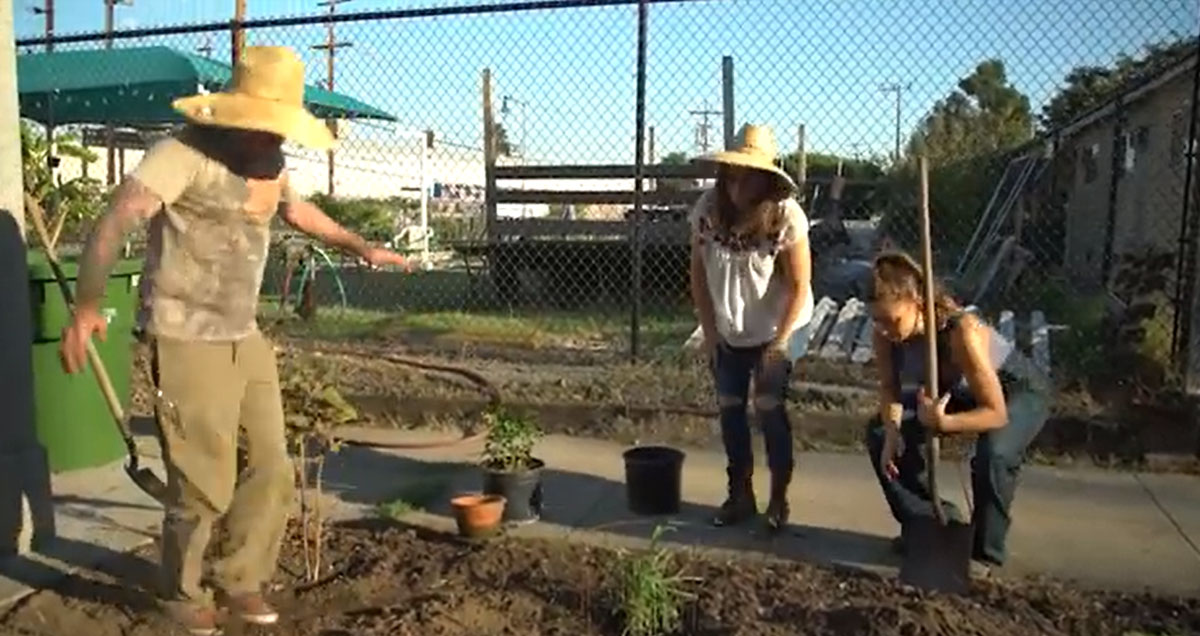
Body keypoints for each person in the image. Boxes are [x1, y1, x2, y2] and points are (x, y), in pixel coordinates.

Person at [58, 46, 409, 635]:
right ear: (235, 112)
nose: (273, 138)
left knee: (271, 465)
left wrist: (362, 247)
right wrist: (87, 306)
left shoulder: (269, 157)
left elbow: (297, 212)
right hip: (184, 335)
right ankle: (182, 592)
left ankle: (241, 578)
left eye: (279, 128)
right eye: (264, 125)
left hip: (244, 335)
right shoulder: (181, 154)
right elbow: (115, 220)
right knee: (203, 480)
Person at [864, 251, 1048, 576]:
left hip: (1015, 393)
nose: (885, 329)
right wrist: (893, 432)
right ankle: (932, 524)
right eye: (877, 320)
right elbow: (890, 389)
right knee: (879, 433)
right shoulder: (884, 335)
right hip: (956, 393)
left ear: (917, 302)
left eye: (892, 320)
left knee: (994, 455)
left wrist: (945, 422)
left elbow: (996, 413)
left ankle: (985, 551)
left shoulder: (962, 332)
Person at [688, 124, 814, 533]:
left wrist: (780, 344)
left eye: (749, 177)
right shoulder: (708, 209)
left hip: (781, 324)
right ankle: (739, 494)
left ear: (766, 180)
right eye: (733, 176)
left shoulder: (785, 215)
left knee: (768, 404)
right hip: (731, 326)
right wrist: (710, 333)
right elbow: (698, 274)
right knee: (730, 405)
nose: (739, 186)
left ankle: (778, 499)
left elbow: (799, 285)